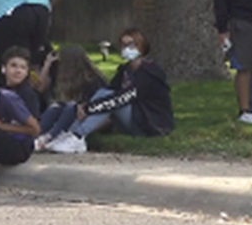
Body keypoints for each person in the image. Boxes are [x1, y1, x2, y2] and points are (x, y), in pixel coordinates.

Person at [41, 28, 174, 153]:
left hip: (150, 123)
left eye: (131, 44)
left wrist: (89, 109)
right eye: (123, 45)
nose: (126, 48)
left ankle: (77, 135)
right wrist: (85, 106)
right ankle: (73, 135)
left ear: (141, 46)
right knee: (103, 94)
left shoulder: (149, 71)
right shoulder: (124, 70)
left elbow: (124, 97)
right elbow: (109, 90)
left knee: (109, 97)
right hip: (132, 119)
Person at [34, 45, 109, 150]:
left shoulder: (92, 82)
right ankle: (35, 135)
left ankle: (49, 137)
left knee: (70, 106)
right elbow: (39, 87)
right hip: (69, 116)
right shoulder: (62, 79)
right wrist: (47, 64)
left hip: (88, 117)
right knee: (55, 108)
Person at [0, 46, 41, 119]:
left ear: (27, 72)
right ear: (3, 68)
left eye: (23, 67)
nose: (18, 71)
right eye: (13, 66)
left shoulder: (29, 96)